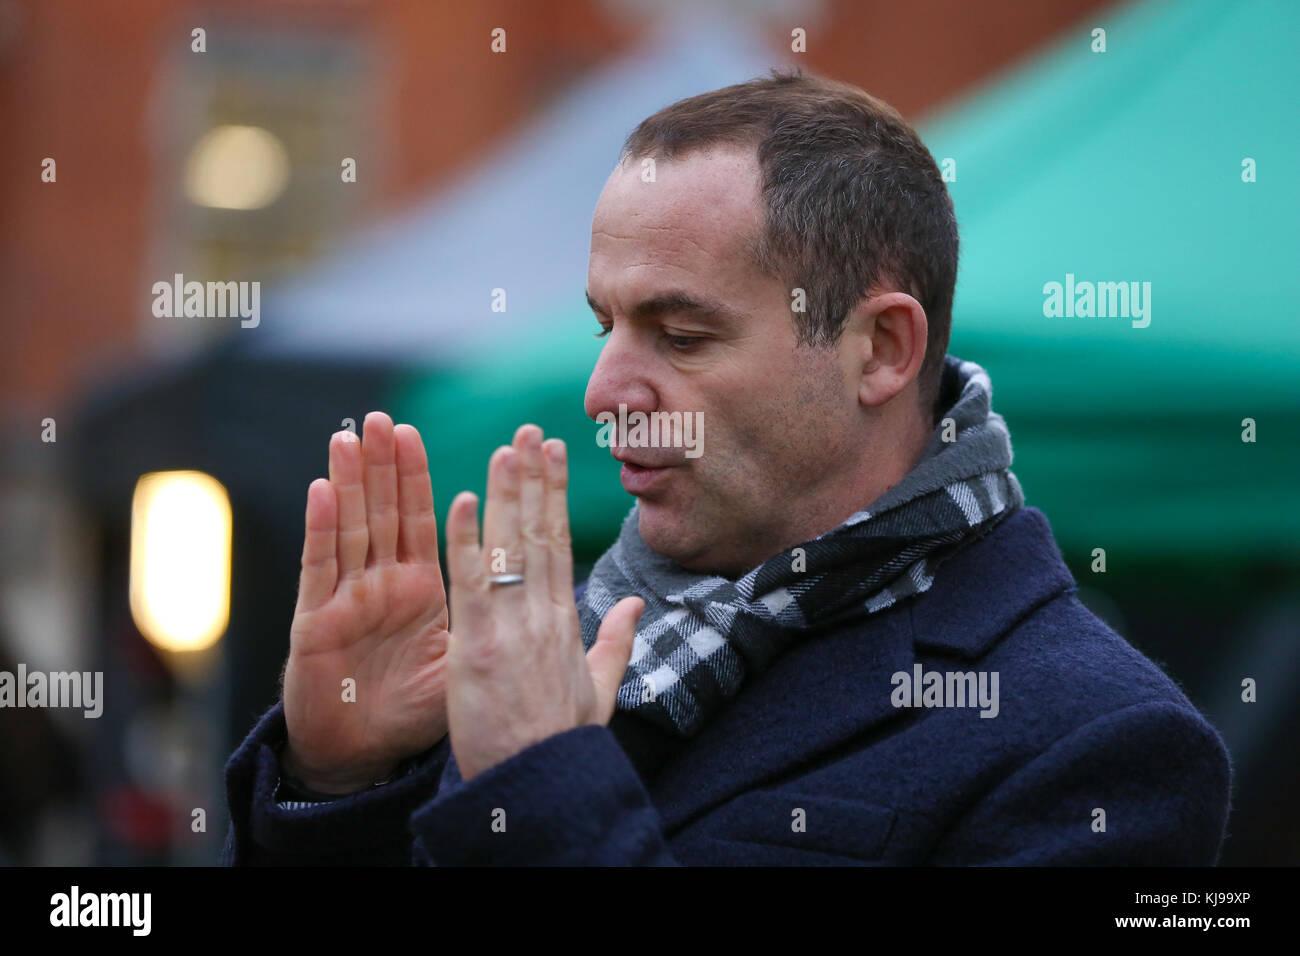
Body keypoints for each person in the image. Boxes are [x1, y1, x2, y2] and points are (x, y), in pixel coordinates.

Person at [223, 70, 1231, 865]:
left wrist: (542, 787)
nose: (604, 389)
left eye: (682, 333)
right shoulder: (549, 646)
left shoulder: (1102, 741)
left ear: (879, 348)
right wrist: (340, 785)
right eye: (604, 324)